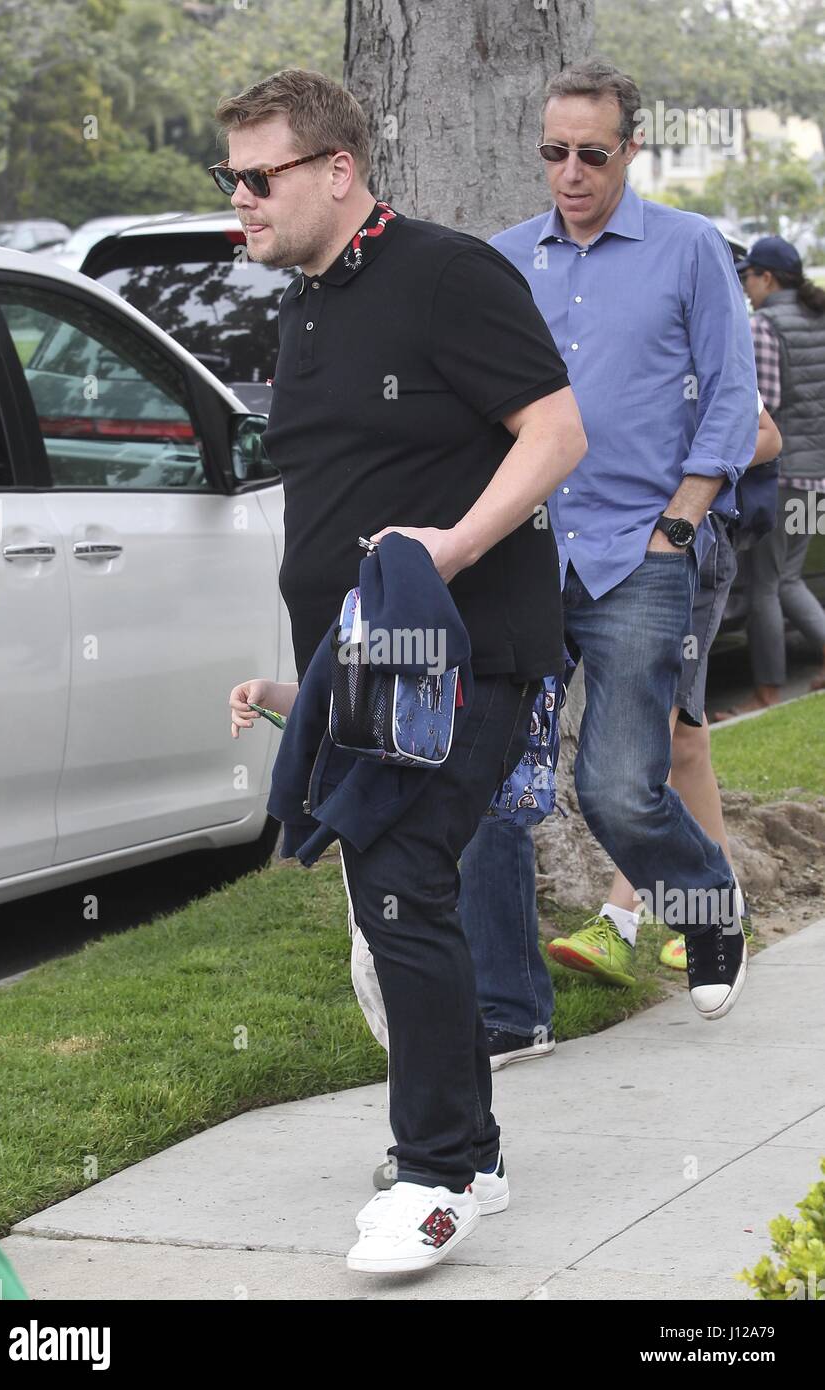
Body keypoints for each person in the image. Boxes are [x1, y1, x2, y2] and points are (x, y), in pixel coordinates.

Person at [220, 68, 587, 1275]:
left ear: (336, 169)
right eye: (231, 179)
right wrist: (301, 683)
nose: (240, 201)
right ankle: (466, 1146)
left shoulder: (444, 273)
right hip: (363, 668)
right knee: (394, 892)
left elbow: (557, 431)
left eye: (258, 177)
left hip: (464, 651)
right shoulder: (306, 306)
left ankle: (433, 1176)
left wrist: (454, 544)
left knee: (398, 878)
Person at [459, 58, 759, 1048]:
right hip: (523, 560)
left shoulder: (686, 251)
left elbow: (726, 398)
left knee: (616, 785)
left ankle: (707, 907)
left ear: (631, 147)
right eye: (554, 152)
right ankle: (509, 1012)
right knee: (493, 791)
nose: (571, 171)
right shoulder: (503, 261)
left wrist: (679, 522)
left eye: (592, 152)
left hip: (638, 554)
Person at [547, 399, 782, 986]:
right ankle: (725, 904)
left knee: (647, 737)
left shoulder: (697, 326)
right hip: (616, 552)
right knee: (683, 740)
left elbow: (767, 437)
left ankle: (620, 920)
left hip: (686, 552)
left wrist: (683, 481)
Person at [715, 236, 825, 718]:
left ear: (766, 277)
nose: (745, 289)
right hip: (817, 476)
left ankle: (767, 694)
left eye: (748, 278)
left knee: (765, 585)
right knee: (789, 580)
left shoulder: (765, 326)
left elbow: (764, 410)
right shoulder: (818, 319)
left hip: (783, 475)